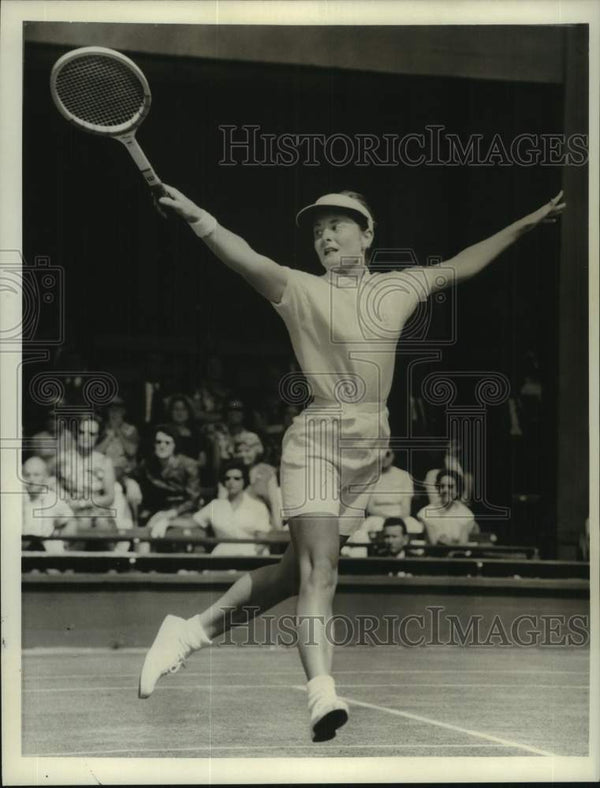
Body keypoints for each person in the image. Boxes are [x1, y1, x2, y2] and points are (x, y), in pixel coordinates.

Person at [138, 184, 565, 742]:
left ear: (368, 235)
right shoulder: (299, 290)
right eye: (317, 229)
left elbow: (463, 264)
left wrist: (526, 223)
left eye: (337, 224)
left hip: (368, 448)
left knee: (295, 573)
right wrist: (198, 215)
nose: (324, 235)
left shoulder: (399, 288)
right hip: (317, 438)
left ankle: (188, 633)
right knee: (322, 572)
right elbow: (243, 255)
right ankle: (322, 695)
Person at [54, 417, 118, 550]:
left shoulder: (104, 461)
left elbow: (109, 497)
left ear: (97, 437)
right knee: (78, 525)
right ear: (76, 433)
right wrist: (68, 501)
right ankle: (69, 567)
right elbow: (54, 484)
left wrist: (84, 503)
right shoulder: (64, 458)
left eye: (91, 434)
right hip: (71, 510)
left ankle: (109, 567)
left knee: (101, 524)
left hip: (97, 511)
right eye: (82, 432)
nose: (86, 437)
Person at [193, 459, 272, 556]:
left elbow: (262, 540)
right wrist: (169, 520)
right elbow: (194, 521)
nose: (231, 482)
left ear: (244, 481)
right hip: (223, 554)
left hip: (251, 554)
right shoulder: (216, 505)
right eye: (227, 478)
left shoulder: (258, 506)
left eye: (236, 478)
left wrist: (251, 558)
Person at [136, 424, 202, 538]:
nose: (162, 446)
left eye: (167, 443)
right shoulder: (148, 464)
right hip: (158, 511)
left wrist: (172, 513)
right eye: (158, 442)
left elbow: (193, 499)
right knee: (145, 535)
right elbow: (129, 475)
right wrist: (130, 483)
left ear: (175, 445)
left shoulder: (188, 465)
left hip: (184, 513)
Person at [22, 456, 73, 553]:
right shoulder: (16, 499)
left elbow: (70, 520)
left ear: (45, 477)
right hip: (22, 550)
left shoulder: (52, 499)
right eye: (27, 475)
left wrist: (63, 540)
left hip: (46, 549)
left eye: (36, 475)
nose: (31, 479)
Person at [417, 469, 479, 545]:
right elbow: (433, 543)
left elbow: (463, 544)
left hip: (458, 555)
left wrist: (449, 543)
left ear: (458, 490)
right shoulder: (426, 513)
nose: (446, 490)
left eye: (450, 487)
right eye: (442, 486)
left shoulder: (466, 514)